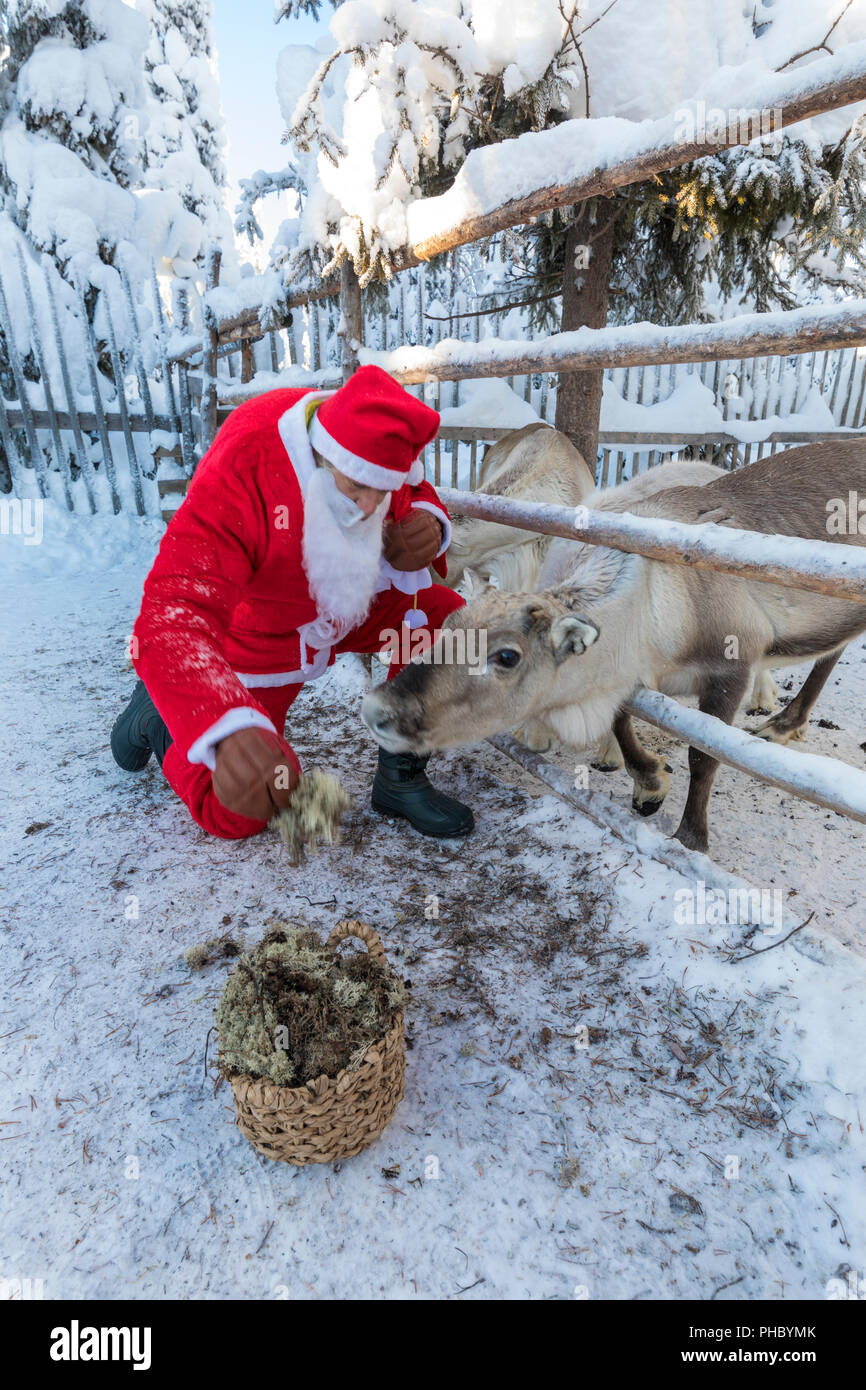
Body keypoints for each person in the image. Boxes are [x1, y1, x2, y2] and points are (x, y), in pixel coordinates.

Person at [110, 364, 474, 840]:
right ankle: (159, 719)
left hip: (353, 606)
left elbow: (410, 486)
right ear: (321, 457)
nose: (370, 507)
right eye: (356, 487)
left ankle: (400, 775)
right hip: (264, 634)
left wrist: (427, 523)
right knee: (250, 802)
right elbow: (172, 612)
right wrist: (222, 726)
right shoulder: (244, 465)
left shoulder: (370, 439)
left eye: (380, 493)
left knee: (448, 620)